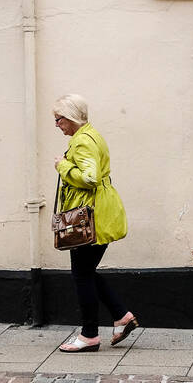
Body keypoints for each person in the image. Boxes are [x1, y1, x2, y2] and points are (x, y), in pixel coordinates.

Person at [53, 95, 137, 353]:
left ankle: (89, 334)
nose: (57, 125)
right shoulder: (91, 135)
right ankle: (121, 316)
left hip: (90, 216)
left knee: (81, 274)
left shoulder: (82, 142)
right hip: (98, 211)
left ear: (71, 117)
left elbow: (89, 178)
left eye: (59, 119)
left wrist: (63, 166)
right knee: (86, 271)